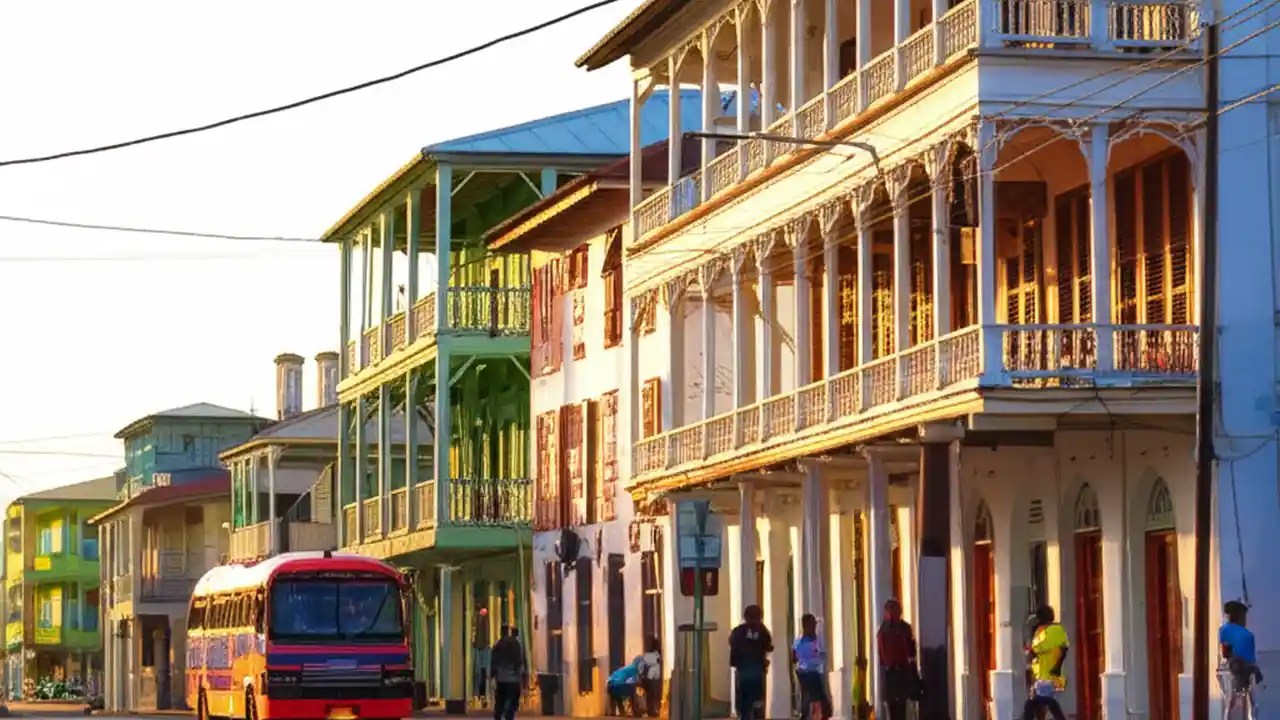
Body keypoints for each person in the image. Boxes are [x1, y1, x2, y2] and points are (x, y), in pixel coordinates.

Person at [1020, 606, 1069, 720]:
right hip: (1047, 676)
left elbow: (1036, 648)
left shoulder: (1050, 631)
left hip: (1047, 676)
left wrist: (1030, 650)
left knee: (1035, 704)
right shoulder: (1056, 630)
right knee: (1044, 704)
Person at [729, 604, 774, 720]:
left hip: (743, 671)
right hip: (756, 671)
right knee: (757, 700)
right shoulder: (762, 631)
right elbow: (769, 646)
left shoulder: (738, 631)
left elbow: (732, 644)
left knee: (744, 702)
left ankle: (745, 714)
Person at [876, 599, 918, 720]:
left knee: (900, 707)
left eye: (896, 610)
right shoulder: (884, 630)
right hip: (891, 672)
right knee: (894, 708)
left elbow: (911, 650)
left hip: (901, 672)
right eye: (891, 611)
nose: (894, 614)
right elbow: (883, 653)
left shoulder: (903, 628)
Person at [793, 613, 833, 720]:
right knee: (816, 695)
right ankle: (814, 713)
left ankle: (808, 713)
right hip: (808, 672)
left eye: (814, 624)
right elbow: (794, 657)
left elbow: (823, 655)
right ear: (806, 625)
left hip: (811, 671)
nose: (814, 627)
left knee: (809, 694)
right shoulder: (801, 641)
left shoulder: (814, 640)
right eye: (812, 624)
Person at [1220, 601, 1264, 692]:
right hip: (1239, 669)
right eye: (1244, 617)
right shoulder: (1245, 634)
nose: (1245, 620)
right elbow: (1226, 653)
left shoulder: (1227, 630)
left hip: (1243, 670)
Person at [490, 625, 527, 720]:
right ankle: (509, 715)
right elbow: (520, 661)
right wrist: (522, 675)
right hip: (514, 678)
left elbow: (494, 660)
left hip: (502, 677)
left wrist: (493, 673)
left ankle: (499, 714)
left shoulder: (499, 644)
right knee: (513, 700)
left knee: (501, 699)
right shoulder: (517, 645)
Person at [638, 635, 663, 717]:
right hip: (652, 678)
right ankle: (652, 711)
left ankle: (651, 710)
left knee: (650, 695)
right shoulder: (655, 655)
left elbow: (644, 666)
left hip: (649, 678)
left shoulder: (648, 654)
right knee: (652, 695)